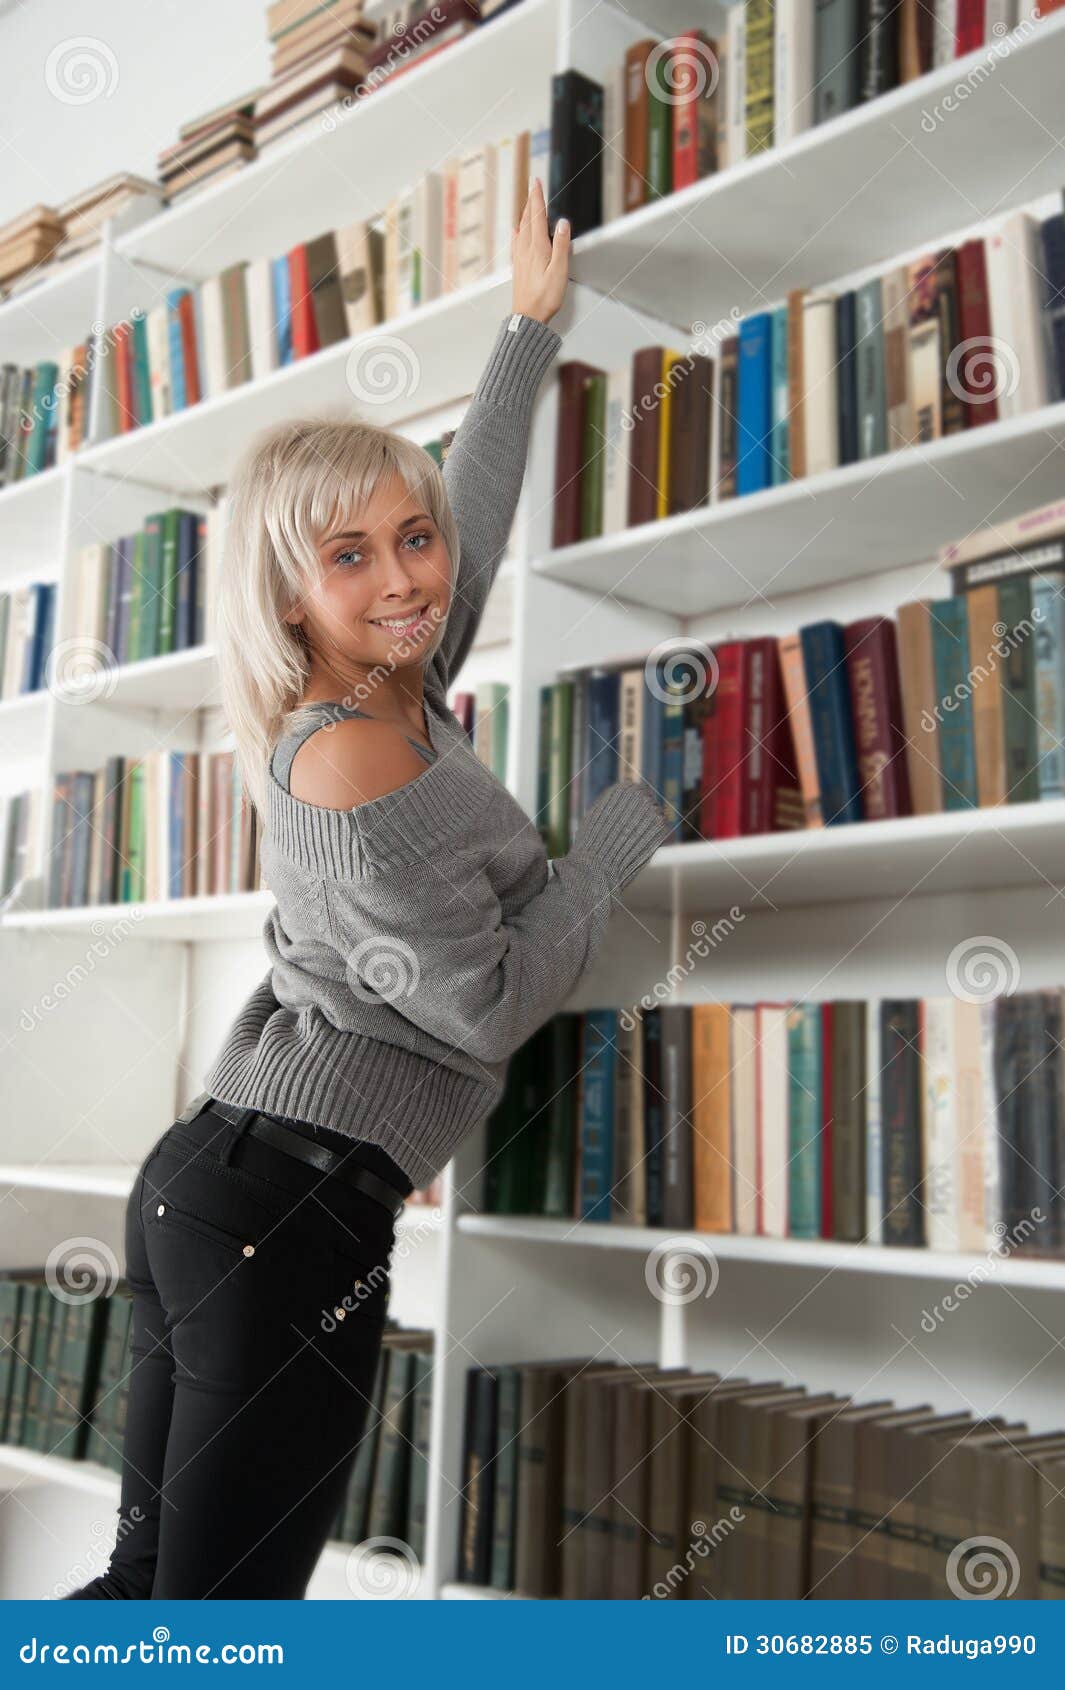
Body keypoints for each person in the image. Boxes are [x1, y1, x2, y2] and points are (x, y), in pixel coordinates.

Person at [65, 179, 671, 1599]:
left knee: (153, 1592)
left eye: (410, 540)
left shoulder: (394, 685)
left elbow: (470, 510)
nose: (408, 577)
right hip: (284, 1215)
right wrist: (609, 850)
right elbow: (479, 1008)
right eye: (353, 555)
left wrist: (526, 331)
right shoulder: (349, 764)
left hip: (234, 1186)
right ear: (291, 594)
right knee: (222, 1622)